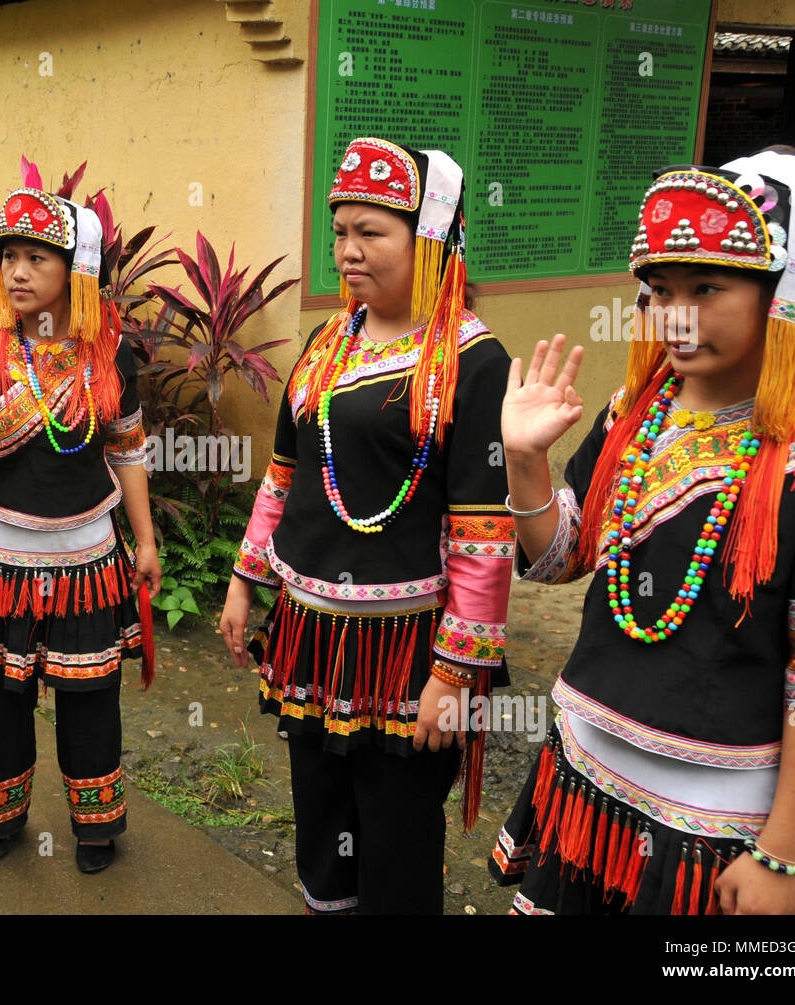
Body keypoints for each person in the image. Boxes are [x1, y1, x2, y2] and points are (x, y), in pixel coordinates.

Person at [490, 149, 795, 914]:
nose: (674, 314)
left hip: (717, 824)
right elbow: (557, 559)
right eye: (659, 291)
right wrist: (526, 463)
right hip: (582, 780)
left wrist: (782, 854)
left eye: (707, 287)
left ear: (783, 295)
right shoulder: (638, 412)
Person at [219, 138, 515, 913]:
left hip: (409, 649)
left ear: (431, 239)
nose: (348, 252)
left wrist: (453, 674)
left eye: (371, 233)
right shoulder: (327, 343)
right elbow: (283, 478)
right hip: (310, 636)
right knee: (321, 817)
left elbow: (485, 535)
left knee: (396, 831)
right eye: (341, 232)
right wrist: (245, 581)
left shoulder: (472, 363)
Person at [0, 186, 160, 874]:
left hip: (87, 558)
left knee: (89, 698)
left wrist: (145, 539)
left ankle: (96, 824)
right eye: (9, 257)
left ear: (76, 272)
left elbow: (129, 450)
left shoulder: (108, 352)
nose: (17, 272)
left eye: (35, 259)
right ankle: (2, 816)